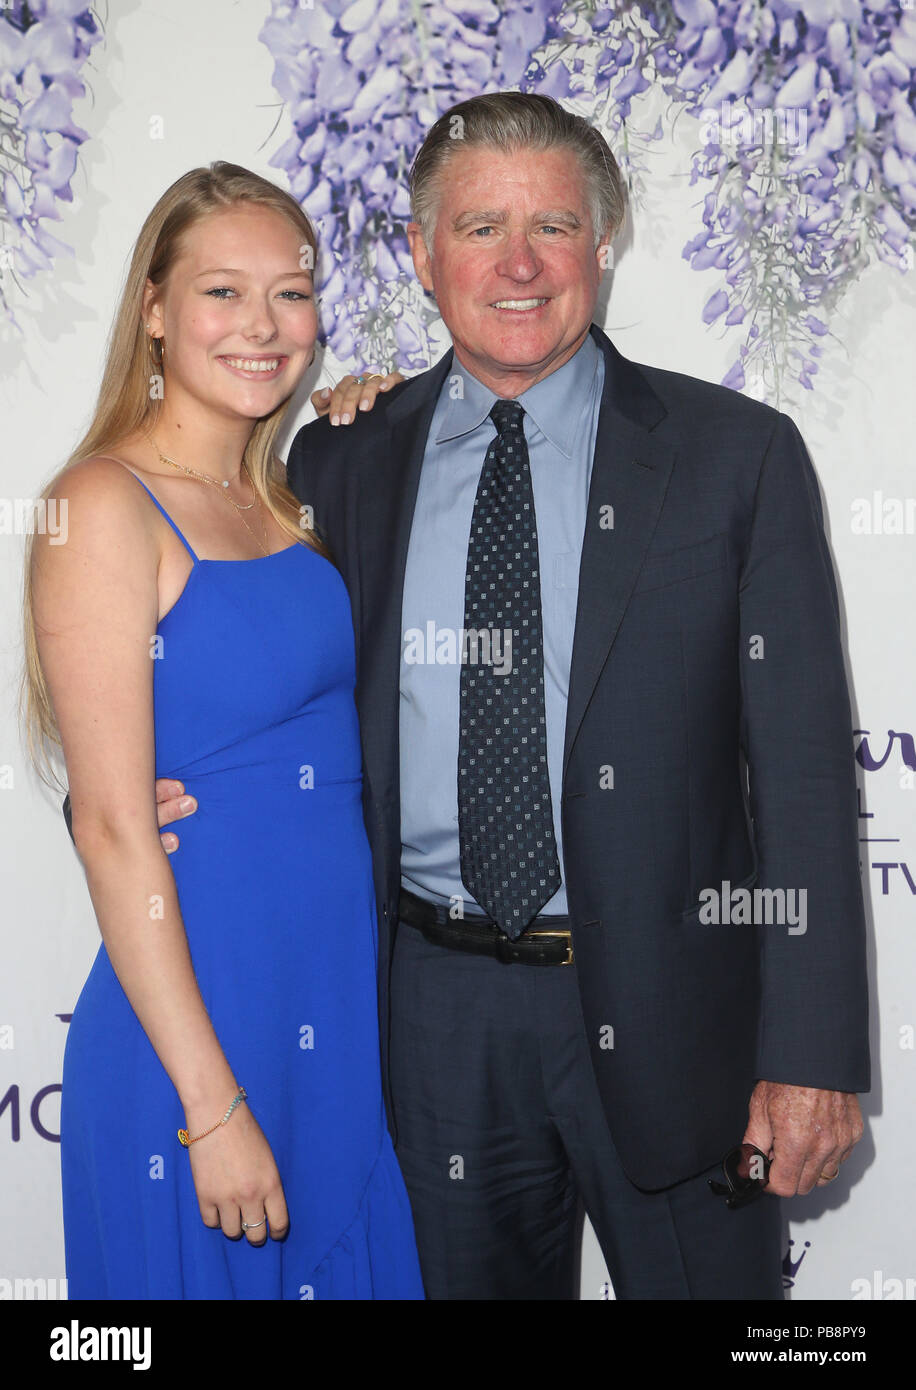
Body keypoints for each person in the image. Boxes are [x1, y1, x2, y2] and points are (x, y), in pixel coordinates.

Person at [148, 94, 870, 1300]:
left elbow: (798, 772)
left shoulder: (735, 454)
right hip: (430, 1017)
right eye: (480, 226)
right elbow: (245, 664)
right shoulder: (336, 459)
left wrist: (811, 1053)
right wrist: (141, 791)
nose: (520, 262)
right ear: (426, 257)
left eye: (554, 224)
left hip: (680, 1017)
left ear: (604, 242)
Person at [28, 161, 423, 1299]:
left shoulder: (294, 500)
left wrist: (381, 419)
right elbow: (111, 824)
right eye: (221, 293)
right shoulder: (102, 504)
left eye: (290, 293)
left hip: (335, 1013)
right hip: (199, 1030)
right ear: (152, 311)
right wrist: (211, 1110)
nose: (264, 326)